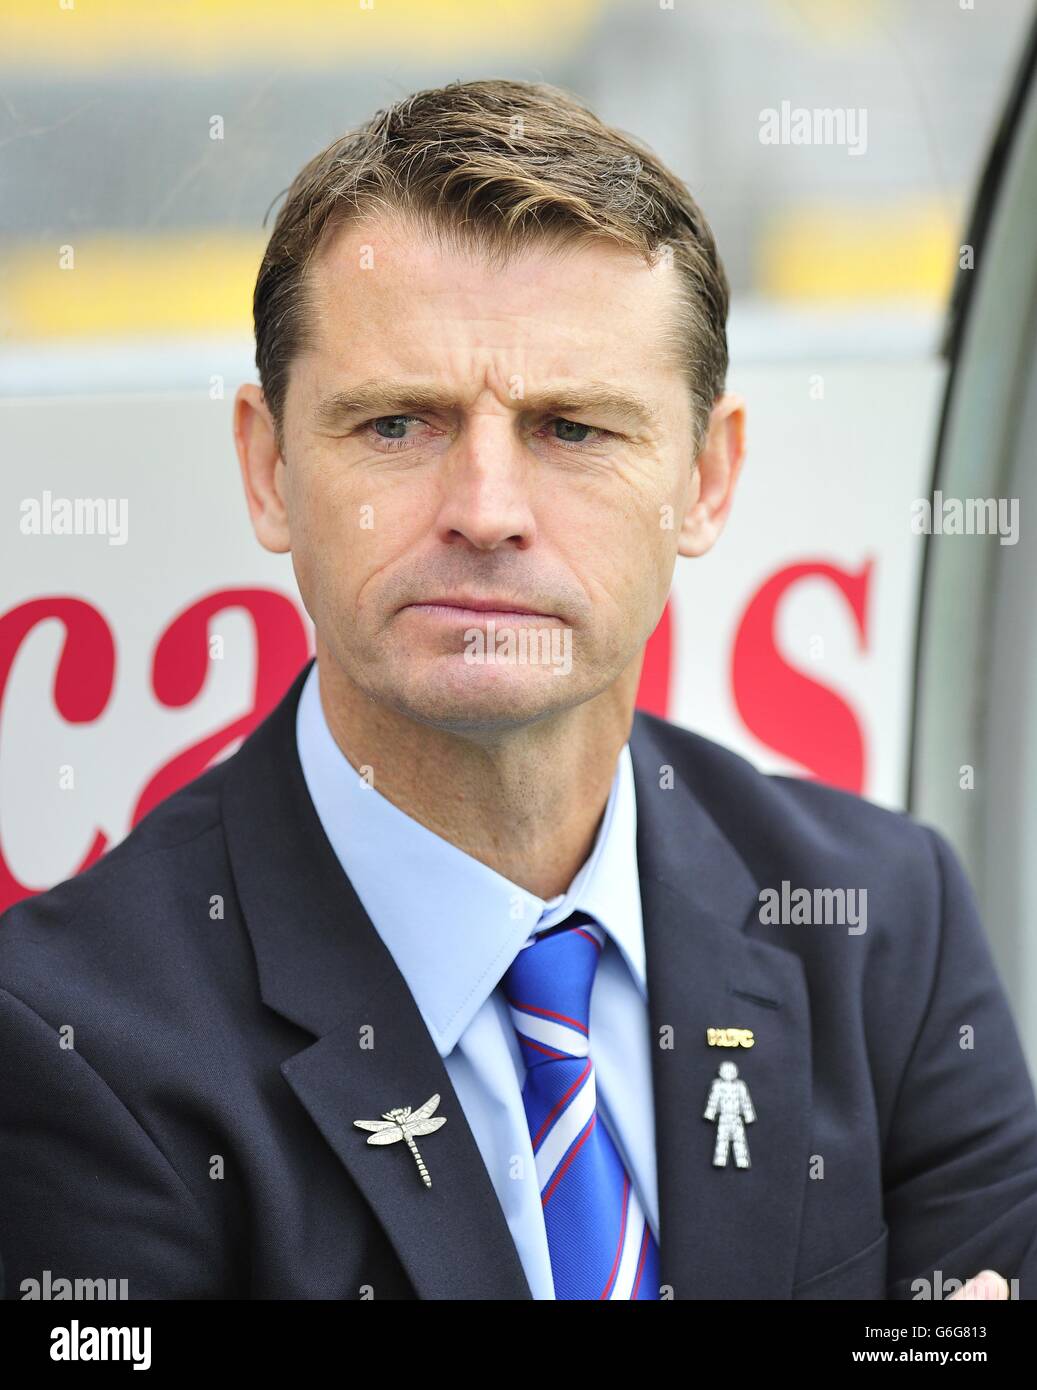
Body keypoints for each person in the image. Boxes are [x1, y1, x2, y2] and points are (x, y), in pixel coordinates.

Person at [2, 77, 1035, 1301]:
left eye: (573, 429)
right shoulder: (65, 1037)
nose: (485, 512)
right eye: (396, 424)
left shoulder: (881, 926)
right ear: (268, 466)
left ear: (705, 480)